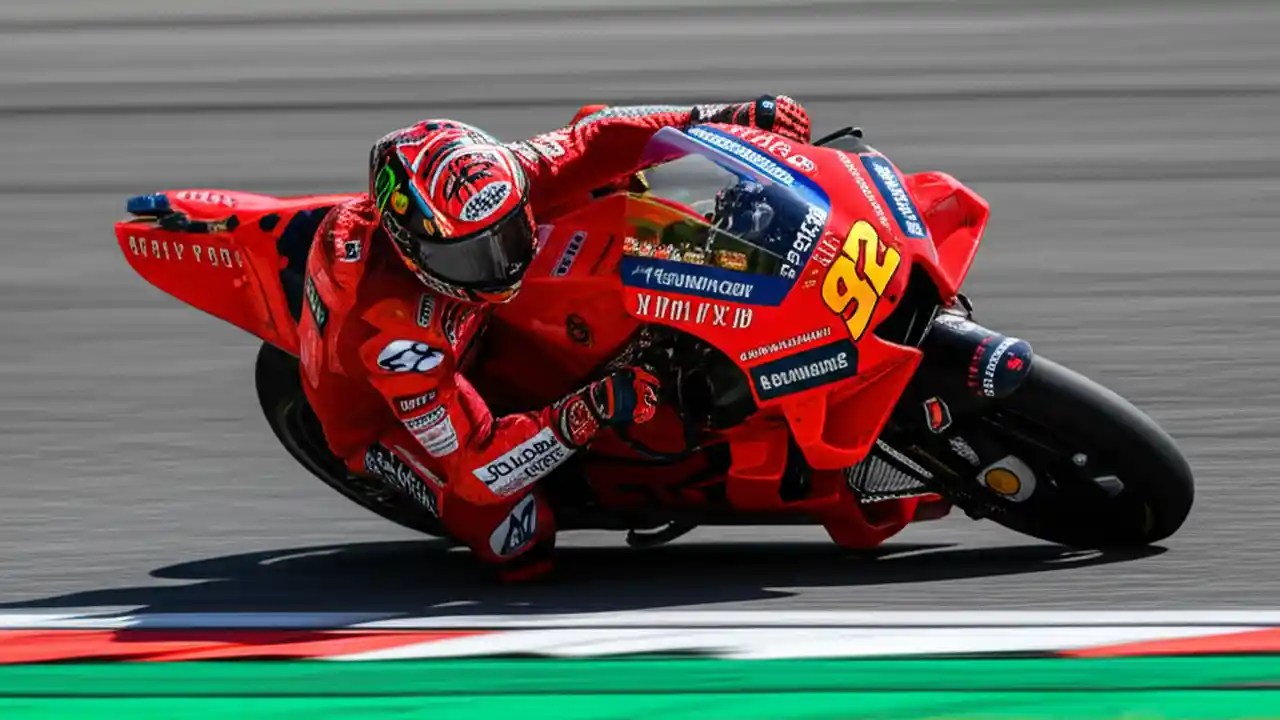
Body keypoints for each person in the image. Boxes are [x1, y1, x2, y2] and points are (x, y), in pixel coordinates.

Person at [297, 96, 812, 581]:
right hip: (390, 418)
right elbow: (477, 466)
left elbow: (597, 138)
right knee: (515, 537)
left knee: (604, 171)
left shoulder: (499, 179)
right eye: (472, 257)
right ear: (414, 250)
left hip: (479, 327)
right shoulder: (394, 335)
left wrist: (723, 116)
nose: (502, 263)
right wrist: (590, 409)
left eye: (509, 233)